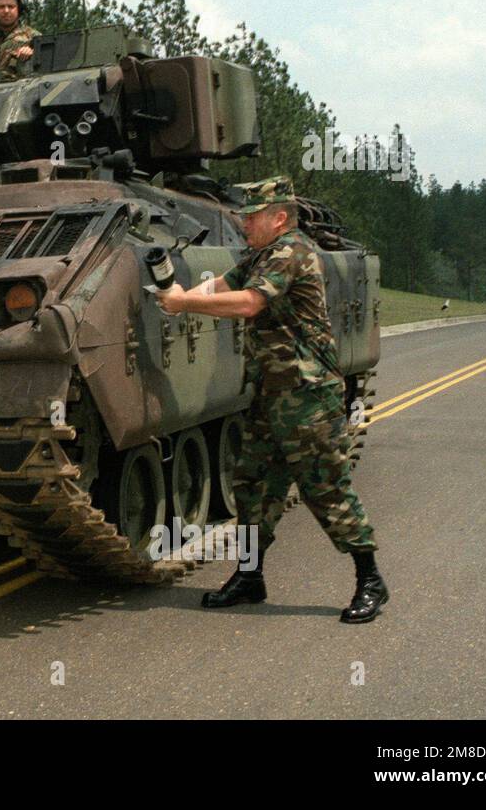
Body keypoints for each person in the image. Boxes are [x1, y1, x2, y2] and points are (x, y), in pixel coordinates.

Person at [152, 175, 389, 623]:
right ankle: (249, 576)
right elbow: (223, 284)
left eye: (252, 216)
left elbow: (248, 304)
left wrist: (185, 306)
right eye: (242, 215)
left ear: (279, 217)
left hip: (307, 398)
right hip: (269, 395)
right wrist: (180, 295)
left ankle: (371, 579)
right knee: (253, 488)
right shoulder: (262, 254)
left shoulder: (292, 251)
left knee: (325, 490)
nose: (243, 222)